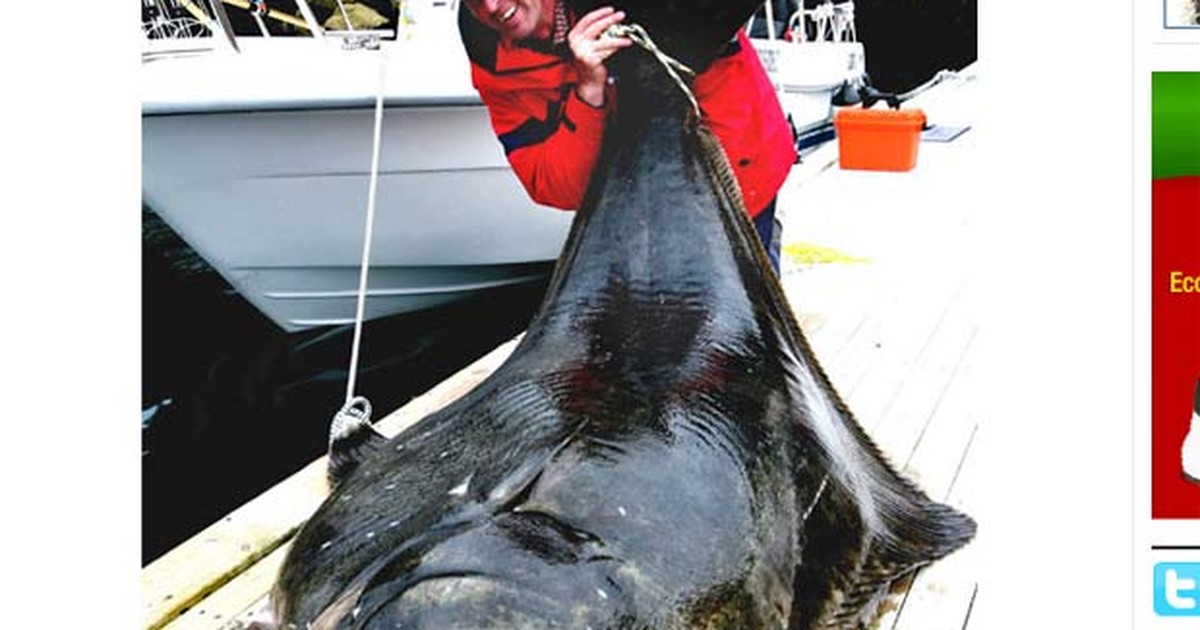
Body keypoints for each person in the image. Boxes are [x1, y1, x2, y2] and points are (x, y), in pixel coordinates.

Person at [457, 0, 796, 272]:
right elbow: (553, 183)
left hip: (736, 175)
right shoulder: (491, 57)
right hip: (626, 217)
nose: (491, 7)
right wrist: (589, 90)